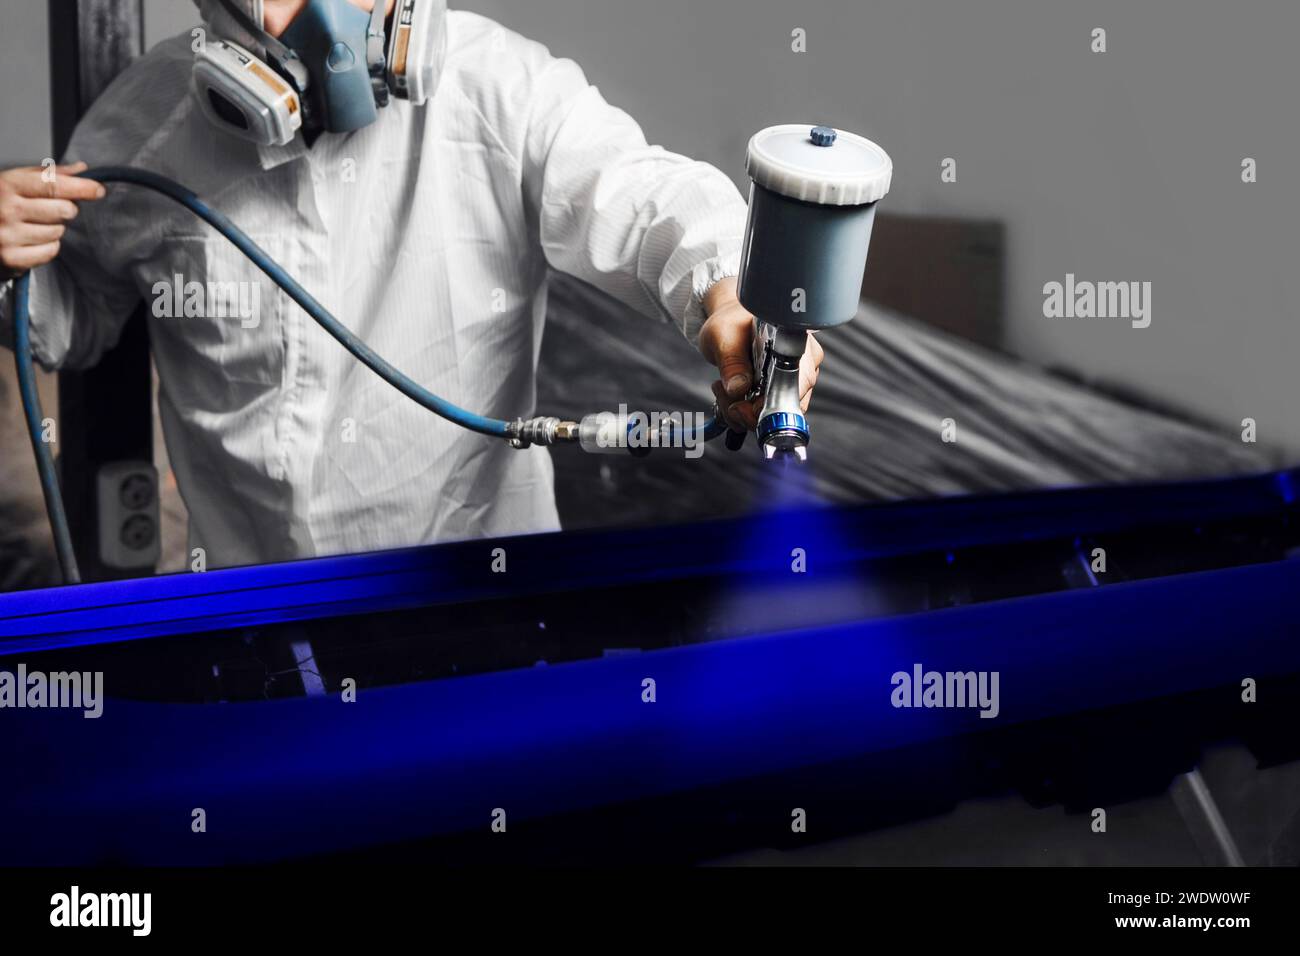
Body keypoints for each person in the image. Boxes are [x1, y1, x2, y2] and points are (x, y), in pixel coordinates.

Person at [0, 0, 821, 568]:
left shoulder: (494, 87)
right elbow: (73, 321)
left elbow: (643, 196)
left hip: (482, 610)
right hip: (254, 627)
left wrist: (727, 292)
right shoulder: (143, 129)